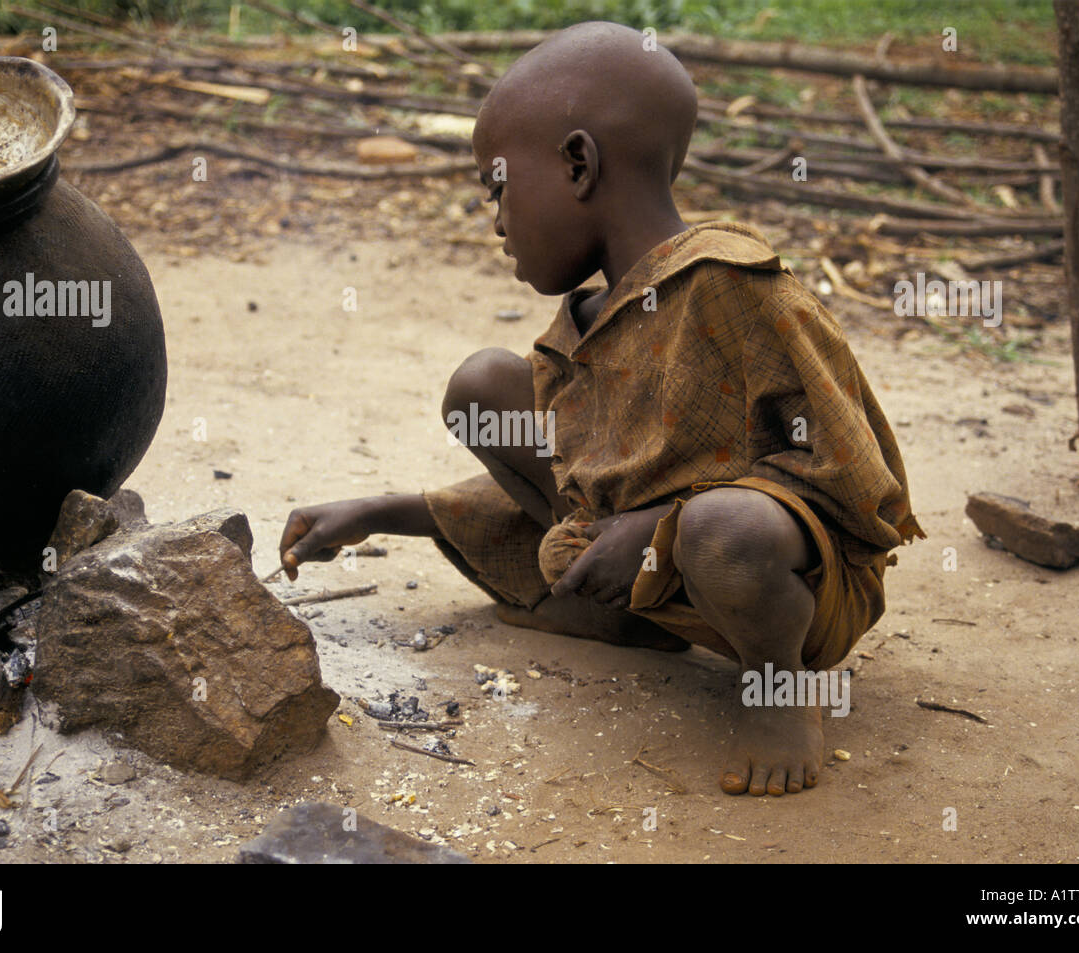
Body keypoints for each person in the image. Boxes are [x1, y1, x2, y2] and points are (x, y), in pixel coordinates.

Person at [279, 21, 922, 796]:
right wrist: (386, 510)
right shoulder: (583, 330)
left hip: (793, 589)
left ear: (578, 163)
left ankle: (778, 690)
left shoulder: (735, 283)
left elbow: (861, 484)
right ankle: (614, 608)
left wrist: (658, 528)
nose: (495, 220)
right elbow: (591, 489)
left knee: (724, 528)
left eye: (498, 185)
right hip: (662, 577)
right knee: (482, 386)